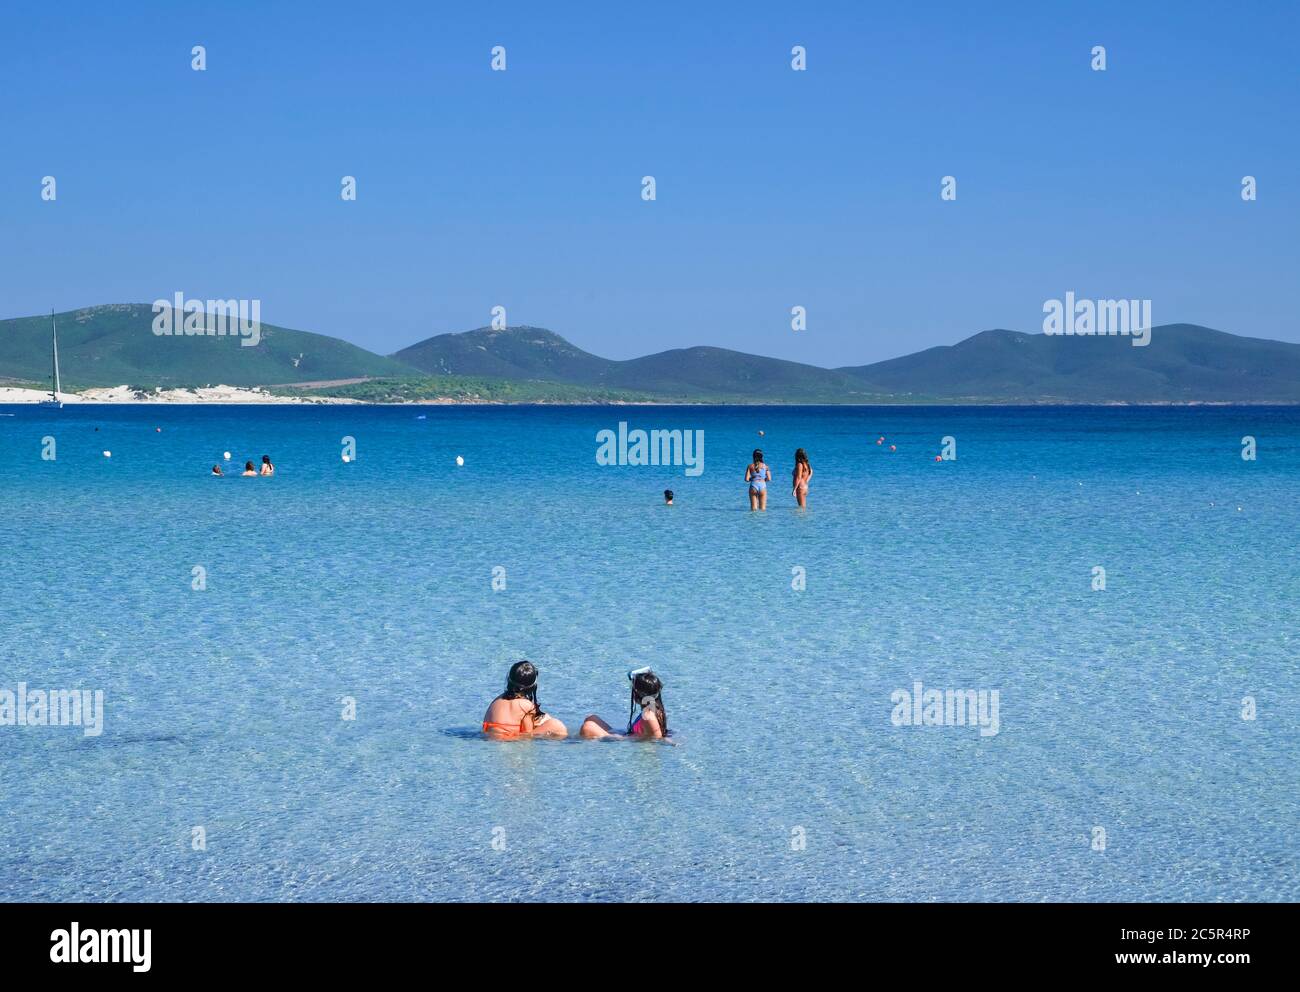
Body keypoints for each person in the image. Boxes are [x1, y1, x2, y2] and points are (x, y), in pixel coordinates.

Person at [482, 661, 568, 739]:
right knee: (556, 725)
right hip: (509, 739)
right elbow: (527, 735)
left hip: (491, 738)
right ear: (532, 686)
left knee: (544, 718)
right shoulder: (526, 706)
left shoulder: (497, 699)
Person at [580, 668, 668, 740]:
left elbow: (657, 738)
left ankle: (573, 742)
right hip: (627, 735)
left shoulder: (649, 716)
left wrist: (619, 737)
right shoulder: (651, 709)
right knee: (591, 717)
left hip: (625, 739)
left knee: (587, 727)